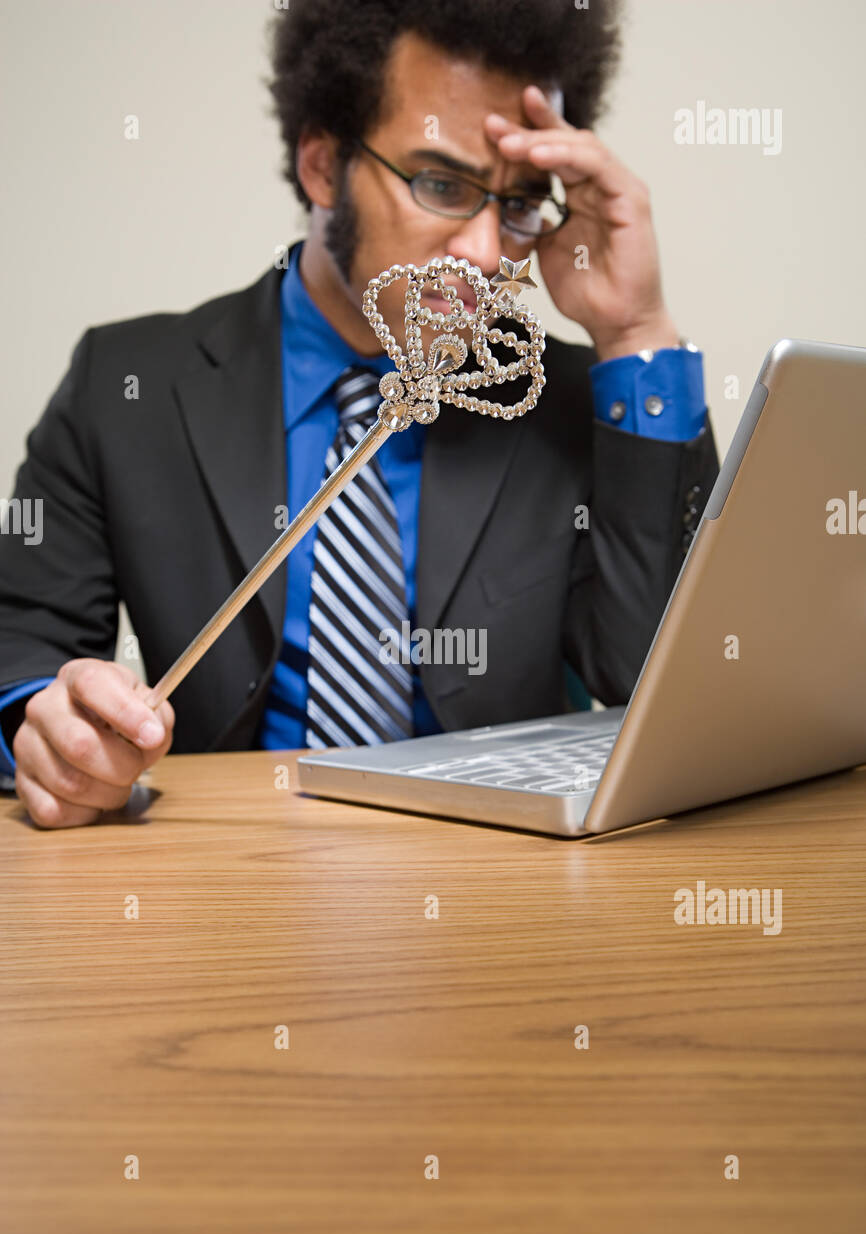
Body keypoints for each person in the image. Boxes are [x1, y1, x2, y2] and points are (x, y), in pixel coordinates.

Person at [0, 0, 719, 828]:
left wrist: (634, 332)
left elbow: (657, 681)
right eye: (441, 183)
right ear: (320, 164)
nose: (486, 256)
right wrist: (44, 729)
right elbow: (24, 641)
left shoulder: (573, 402)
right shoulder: (124, 383)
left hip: (511, 888)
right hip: (217, 878)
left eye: (519, 204)